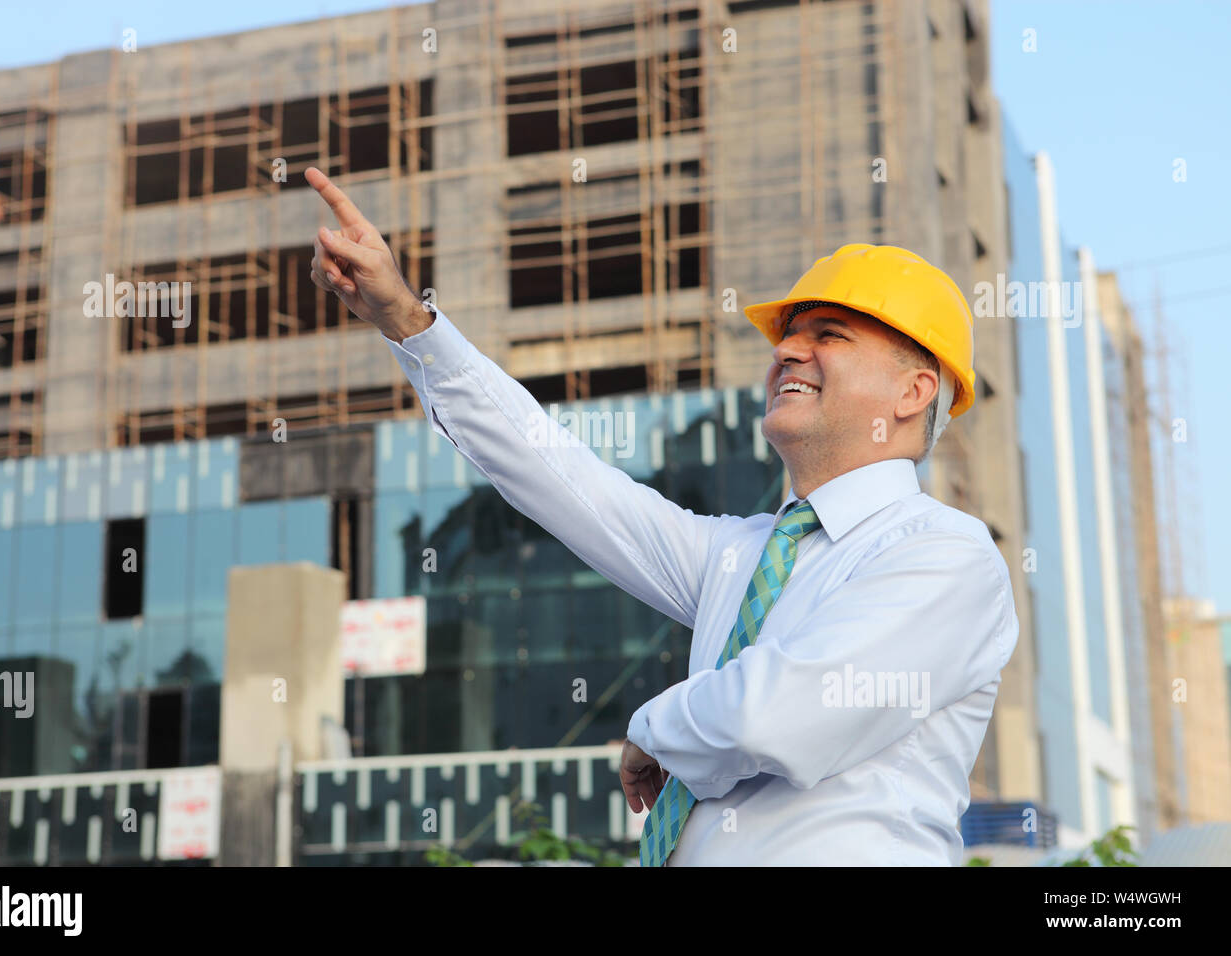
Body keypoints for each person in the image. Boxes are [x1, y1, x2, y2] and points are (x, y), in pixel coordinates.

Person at [303, 167, 1018, 866]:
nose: (785, 350)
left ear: (914, 391)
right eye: (789, 334)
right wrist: (406, 318)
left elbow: (780, 714)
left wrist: (658, 727)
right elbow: (556, 474)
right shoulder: (741, 557)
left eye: (829, 333)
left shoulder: (946, 554)